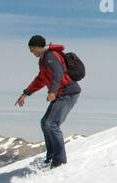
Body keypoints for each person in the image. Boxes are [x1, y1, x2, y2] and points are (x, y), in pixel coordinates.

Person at [15, 35, 80, 168]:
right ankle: (51, 157)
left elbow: (58, 73)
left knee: (51, 124)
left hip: (68, 93)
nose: (31, 52)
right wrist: (26, 93)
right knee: (45, 123)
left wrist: (53, 92)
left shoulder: (50, 56)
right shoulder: (44, 59)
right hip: (62, 93)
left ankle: (59, 160)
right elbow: (40, 79)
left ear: (38, 47)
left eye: (32, 49)